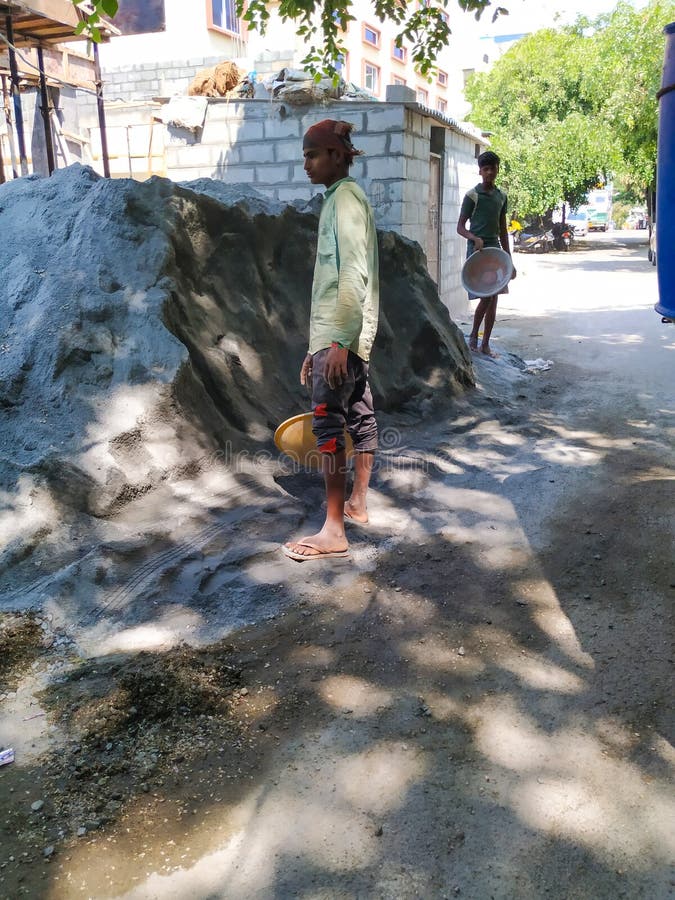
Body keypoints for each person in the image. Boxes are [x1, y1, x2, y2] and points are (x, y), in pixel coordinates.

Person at [282, 120, 379, 562]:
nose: (306, 163)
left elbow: (351, 274)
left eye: (313, 154)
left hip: (342, 334)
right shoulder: (342, 200)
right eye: (305, 155)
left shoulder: (344, 202)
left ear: (337, 156)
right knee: (359, 416)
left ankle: (334, 529)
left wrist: (336, 341)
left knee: (327, 425)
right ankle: (357, 503)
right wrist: (317, 345)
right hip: (342, 334)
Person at [457, 150, 516, 358]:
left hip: (495, 251)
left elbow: (502, 230)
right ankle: (474, 335)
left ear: (498, 170)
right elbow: (460, 227)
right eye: (486, 169)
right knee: (487, 297)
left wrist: (509, 260)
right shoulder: (472, 195)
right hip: (478, 251)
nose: (490, 172)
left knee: (495, 297)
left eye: (493, 168)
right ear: (480, 171)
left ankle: (485, 343)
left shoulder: (501, 197)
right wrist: (474, 238)